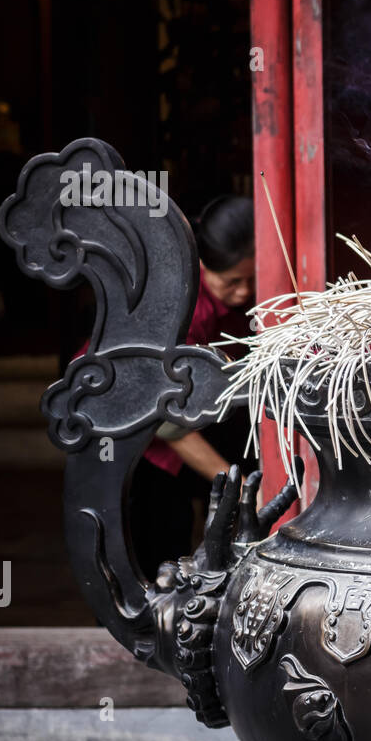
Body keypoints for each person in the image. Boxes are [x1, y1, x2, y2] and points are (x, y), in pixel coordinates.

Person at [126, 194, 256, 579]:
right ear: (202, 263)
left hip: (200, 420)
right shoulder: (181, 306)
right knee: (162, 551)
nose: (244, 292)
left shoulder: (240, 303)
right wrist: (242, 489)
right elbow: (168, 424)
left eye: (252, 279)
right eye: (232, 281)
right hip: (141, 432)